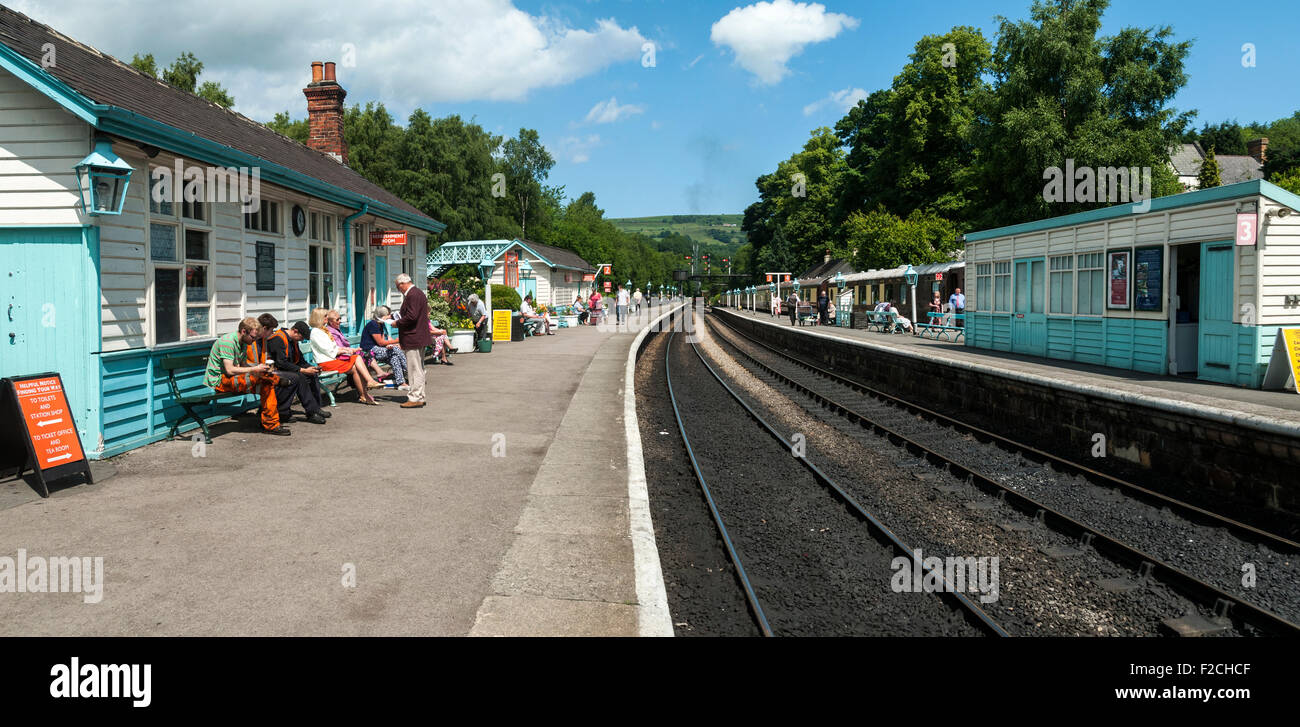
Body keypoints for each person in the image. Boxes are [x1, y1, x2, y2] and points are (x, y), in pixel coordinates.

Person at [204, 317, 292, 435]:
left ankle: (271, 425)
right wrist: (255, 369)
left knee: (267, 385)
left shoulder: (244, 342)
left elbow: (243, 366)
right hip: (220, 381)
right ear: (244, 331)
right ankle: (277, 380)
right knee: (261, 378)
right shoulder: (228, 342)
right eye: (253, 337)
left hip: (234, 379)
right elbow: (229, 370)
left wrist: (260, 369)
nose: (254, 340)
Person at [256, 313, 328, 425]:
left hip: (284, 368)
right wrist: (302, 370)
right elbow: (281, 363)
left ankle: (315, 408)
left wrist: (310, 367)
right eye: (301, 337)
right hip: (276, 369)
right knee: (299, 377)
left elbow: (299, 359)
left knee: (312, 374)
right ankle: (309, 412)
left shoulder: (292, 340)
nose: (301, 340)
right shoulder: (278, 339)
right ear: (295, 331)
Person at [309, 308, 381, 405]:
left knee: (356, 362)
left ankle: (365, 393)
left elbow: (333, 347)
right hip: (325, 362)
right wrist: (344, 350)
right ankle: (367, 388)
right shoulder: (316, 332)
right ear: (319, 318)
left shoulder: (323, 330)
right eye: (325, 316)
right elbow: (328, 350)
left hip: (332, 359)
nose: (327, 317)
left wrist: (346, 350)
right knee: (356, 361)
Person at [386, 273, 431, 408]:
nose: (399, 290)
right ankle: (420, 396)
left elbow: (411, 316)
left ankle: (415, 397)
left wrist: (396, 323)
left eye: (398, 287)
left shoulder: (412, 295)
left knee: (414, 369)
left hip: (413, 337)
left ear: (402, 284)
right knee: (418, 369)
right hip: (419, 336)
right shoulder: (418, 293)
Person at [361, 307, 409, 389]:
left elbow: (384, 340)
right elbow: (380, 342)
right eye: (388, 315)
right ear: (382, 316)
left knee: (394, 357)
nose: (390, 316)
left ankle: (401, 383)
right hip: (369, 350)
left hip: (378, 349)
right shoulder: (373, 324)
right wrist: (397, 341)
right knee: (396, 350)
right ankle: (409, 371)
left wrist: (391, 344)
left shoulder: (381, 324)